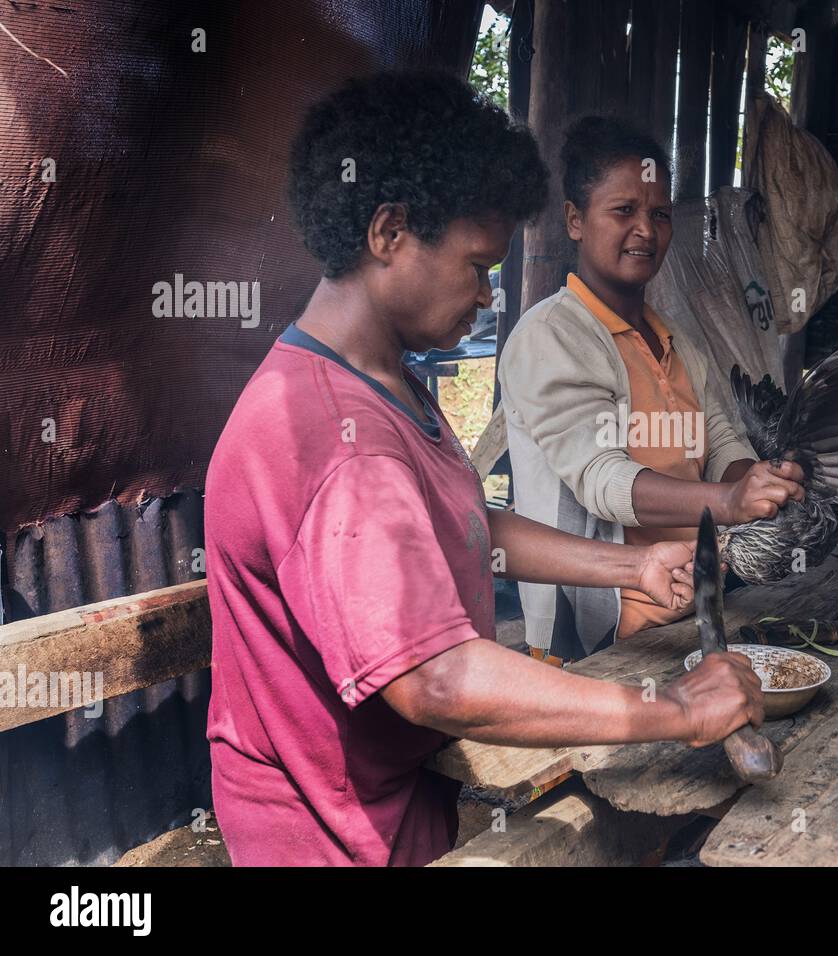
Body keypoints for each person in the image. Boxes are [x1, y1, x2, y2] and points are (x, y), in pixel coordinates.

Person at [204, 72, 764, 867]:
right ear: (389, 232)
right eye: (476, 265)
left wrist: (630, 561)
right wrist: (670, 708)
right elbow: (438, 680)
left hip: (402, 798)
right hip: (329, 837)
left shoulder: (385, 380)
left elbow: (463, 527)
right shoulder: (333, 438)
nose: (491, 293)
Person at [499, 116, 805, 663]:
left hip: (697, 607)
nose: (646, 229)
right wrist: (727, 501)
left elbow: (718, 438)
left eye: (659, 214)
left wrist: (755, 482)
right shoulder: (550, 337)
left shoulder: (676, 336)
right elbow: (601, 479)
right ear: (574, 220)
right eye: (624, 211)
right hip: (598, 637)